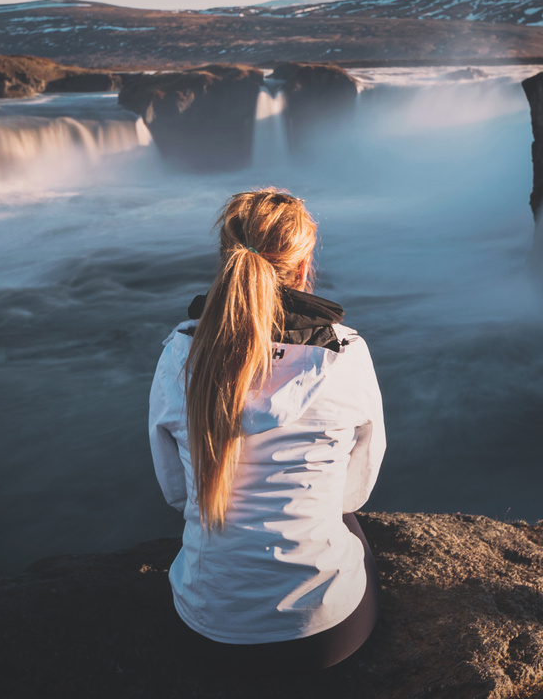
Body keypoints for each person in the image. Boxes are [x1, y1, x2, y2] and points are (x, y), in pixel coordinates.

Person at [148, 188, 386, 670]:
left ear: (225, 260)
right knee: (349, 525)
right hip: (322, 635)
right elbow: (353, 494)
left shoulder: (180, 355)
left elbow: (177, 494)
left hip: (207, 624)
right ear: (303, 268)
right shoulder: (345, 355)